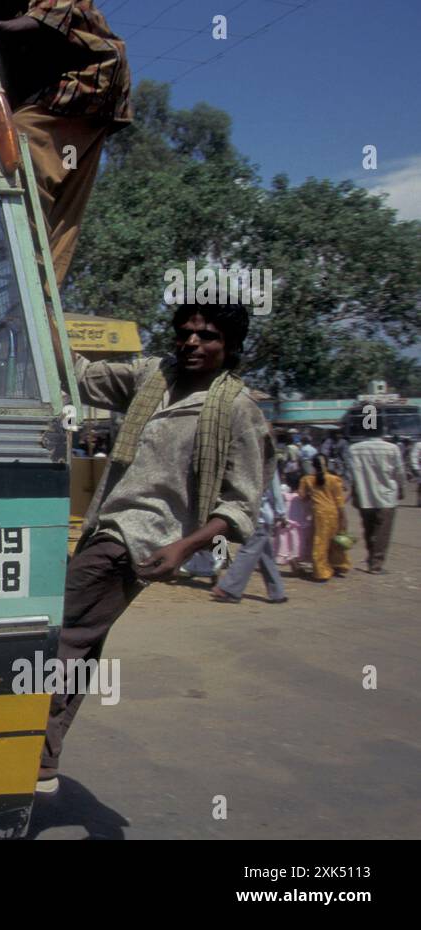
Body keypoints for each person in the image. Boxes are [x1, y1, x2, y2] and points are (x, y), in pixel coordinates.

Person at [39, 303, 268, 793]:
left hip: (140, 541)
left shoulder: (236, 409)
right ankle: (43, 760)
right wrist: (42, 308)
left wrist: (185, 547)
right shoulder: (151, 377)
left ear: (229, 347)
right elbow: (78, 374)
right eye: (185, 334)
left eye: (207, 337)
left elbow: (241, 505)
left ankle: (25, 745)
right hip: (104, 524)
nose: (192, 343)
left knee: (57, 631)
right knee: (82, 640)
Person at [0, 1, 131, 285]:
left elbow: (44, 22)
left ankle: (28, 266)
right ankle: (44, 294)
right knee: (62, 213)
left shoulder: (13, 17)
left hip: (83, 83)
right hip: (70, 100)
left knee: (19, 155)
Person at [211, 463, 288, 605]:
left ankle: (230, 589)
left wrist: (281, 513)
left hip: (259, 514)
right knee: (265, 556)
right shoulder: (250, 458)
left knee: (249, 551)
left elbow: (275, 489)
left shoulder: (265, 461)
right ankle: (277, 592)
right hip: (255, 514)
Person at [346, 422, 406, 573]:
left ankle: (371, 557)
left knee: (368, 529)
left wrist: (353, 491)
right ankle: (376, 564)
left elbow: (351, 473)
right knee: (382, 532)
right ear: (382, 431)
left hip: (365, 495)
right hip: (387, 497)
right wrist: (401, 489)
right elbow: (399, 472)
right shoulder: (392, 448)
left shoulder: (354, 449)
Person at [297, 455, 350, 583]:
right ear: (327, 464)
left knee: (320, 541)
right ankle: (339, 565)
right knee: (335, 540)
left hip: (319, 514)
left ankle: (322, 572)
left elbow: (302, 496)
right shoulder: (334, 479)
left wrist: (311, 494)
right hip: (334, 513)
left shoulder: (307, 480)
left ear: (313, 466)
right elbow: (339, 501)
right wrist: (344, 518)